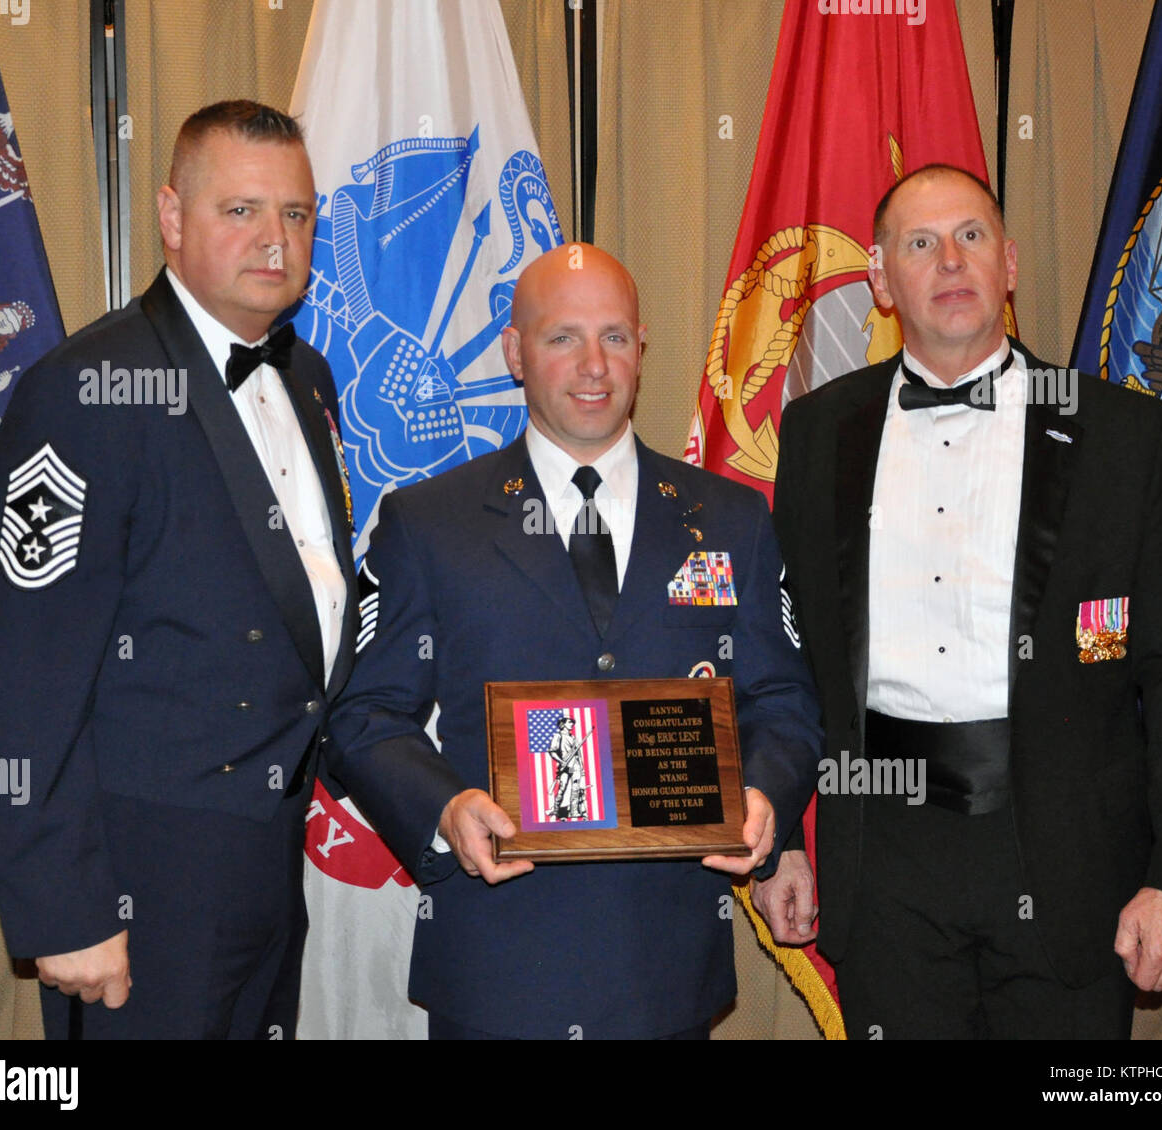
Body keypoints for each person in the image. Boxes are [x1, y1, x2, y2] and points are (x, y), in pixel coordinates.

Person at [754, 163, 1162, 1039]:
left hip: (1071, 864)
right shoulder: (818, 432)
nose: (950, 263)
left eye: (970, 237)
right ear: (881, 280)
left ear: (1008, 263)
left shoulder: (1123, 434)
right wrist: (783, 836)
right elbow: (790, 657)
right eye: (920, 244)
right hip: (885, 860)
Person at [326, 243, 822, 1039]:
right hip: (497, 963)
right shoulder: (427, 524)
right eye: (562, 338)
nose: (594, 365)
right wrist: (445, 809)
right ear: (515, 353)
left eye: (615, 337)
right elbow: (363, 714)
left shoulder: (730, 520)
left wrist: (763, 798)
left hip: (666, 967)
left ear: (642, 346)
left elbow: (784, 701)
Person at [0, 101, 358, 1039]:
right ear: (172, 218)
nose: (276, 240)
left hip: (268, 872)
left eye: (297, 215)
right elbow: (20, 675)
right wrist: (66, 910)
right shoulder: (84, 392)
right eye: (242, 212)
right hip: (139, 899)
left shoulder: (307, 380)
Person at [547, 715, 587, 820]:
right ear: (563, 723)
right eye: (570, 722)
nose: (572, 724)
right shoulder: (558, 736)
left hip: (575, 767)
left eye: (573, 722)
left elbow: (578, 754)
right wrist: (561, 761)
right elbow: (552, 751)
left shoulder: (574, 738)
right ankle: (556, 811)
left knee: (575, 789)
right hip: (564, 767)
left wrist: (581, 768)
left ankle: (574, 812)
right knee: (562, 788)